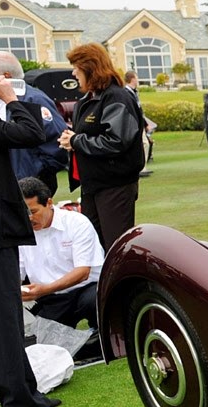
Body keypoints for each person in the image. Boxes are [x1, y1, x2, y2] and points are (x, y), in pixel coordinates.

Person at [0, 75, 60, 407]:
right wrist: (10, 99)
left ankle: (16, 391)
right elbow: (32, 133)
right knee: (5, 317)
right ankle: (19, 398)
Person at [60, 43, 145, 251]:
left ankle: (121, 285)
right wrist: (71, 140)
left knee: (116, 248)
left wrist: (76, 141)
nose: (73, 72)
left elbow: (116, 141)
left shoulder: (117, 97)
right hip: (92, 184)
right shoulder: (87, 99)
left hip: (114, 184)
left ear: (90, 67)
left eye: (77, 66)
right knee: (94, 248)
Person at [18, 176, 103, 329]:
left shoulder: (77, 222)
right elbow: (16, 273)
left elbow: (83, 272)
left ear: (49, 203)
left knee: (96, 300)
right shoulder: (19, 233)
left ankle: (102, 339)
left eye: (33, 211)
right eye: (24, 213)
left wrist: (45, 289)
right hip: (50, 298)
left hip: (87, 288)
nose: (29, 218)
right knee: (45, 342)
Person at [0, 50, 67, 198]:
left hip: (30, 188)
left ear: (6, 76)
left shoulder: (34, 100)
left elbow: (57, 142)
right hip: (4, 186)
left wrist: (35, 173)